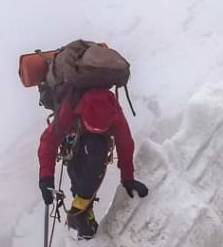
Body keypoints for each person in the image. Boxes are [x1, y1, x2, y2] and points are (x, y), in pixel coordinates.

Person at [38, 88, 149, 239]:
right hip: (75, 137)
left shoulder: (113, 110)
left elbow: (125, 142)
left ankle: (80, 211)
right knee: (87, 160)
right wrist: (46, 178)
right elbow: (48, 141)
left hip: (93, 143)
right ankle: (80, 212)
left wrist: (127, 178)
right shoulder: (70, 108)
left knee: (94, 156)